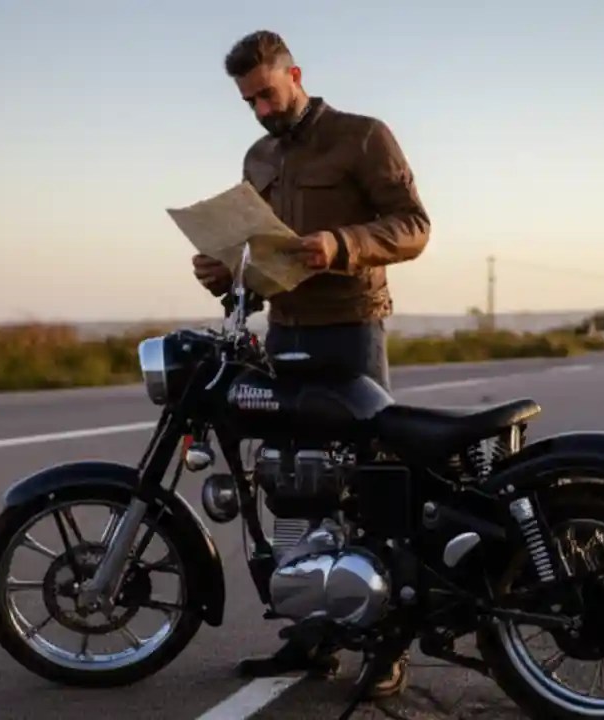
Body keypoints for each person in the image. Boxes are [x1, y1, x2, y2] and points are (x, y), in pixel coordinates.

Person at [191, 30, 431, 698]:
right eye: (248, 101)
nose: (261, 110)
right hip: (284, 332)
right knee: (293, 484)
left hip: (350, 329)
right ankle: (314, 634)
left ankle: (388, 645)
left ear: (294, 74)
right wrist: (219, 270)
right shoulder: (258, 155)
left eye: (267, 93)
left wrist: (341, 242)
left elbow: (413, 225)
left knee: (372, 486)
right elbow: (253, 257)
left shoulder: (363, 136)